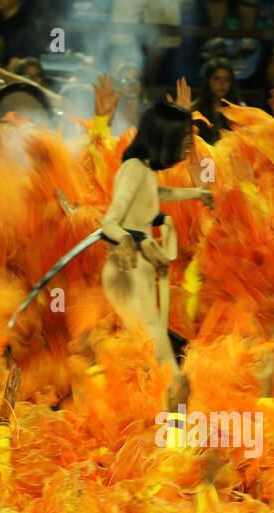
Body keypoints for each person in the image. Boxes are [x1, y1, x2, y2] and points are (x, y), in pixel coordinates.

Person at [100, 83, 214, 383]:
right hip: (126, 267)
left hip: (142, 264)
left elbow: (153, 195)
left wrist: (195, 192)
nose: (190, 145)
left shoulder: (146, 170)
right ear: (167, 137)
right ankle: (170, 400)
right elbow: (109, 221)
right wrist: (126, 239)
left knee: (153, 343)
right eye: (185, 138)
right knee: (153, 345)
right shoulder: (134, 168)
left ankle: (162, 404)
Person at [191, 57, 239, 144]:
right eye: (217, 79)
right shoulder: (195, 108)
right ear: (208, 80)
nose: (222, 84)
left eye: (227, 79)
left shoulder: (240, 110)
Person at [111, 62, 149, 137]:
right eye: (125, 80)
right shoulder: (112, 115)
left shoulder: (150, 113)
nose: (132, 84)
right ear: (118, 86)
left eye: (136, 80)